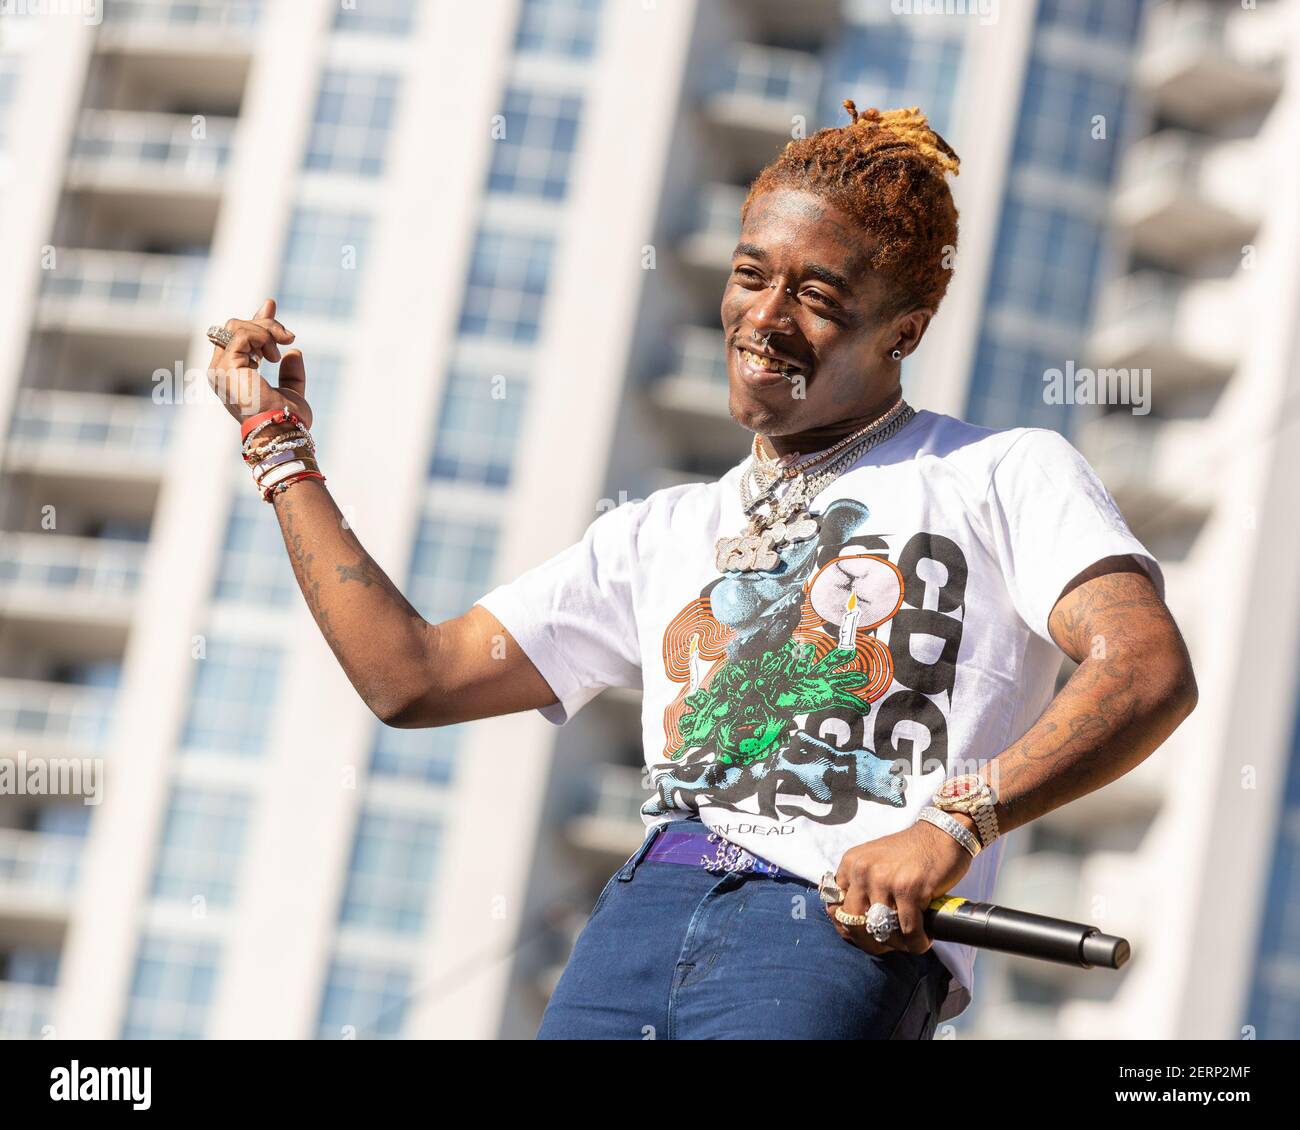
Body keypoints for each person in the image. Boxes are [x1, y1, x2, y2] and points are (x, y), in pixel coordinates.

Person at [204, 103, 1197, 1040]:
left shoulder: (998, 473)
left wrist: (955, 819)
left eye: (816, 295)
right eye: (749, 273)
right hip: (639, 915)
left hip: (823, 937)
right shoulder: (660, 530)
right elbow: (411, 674)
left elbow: (1143, 665)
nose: (764, 316)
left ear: (904, 329)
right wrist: (277, 444)